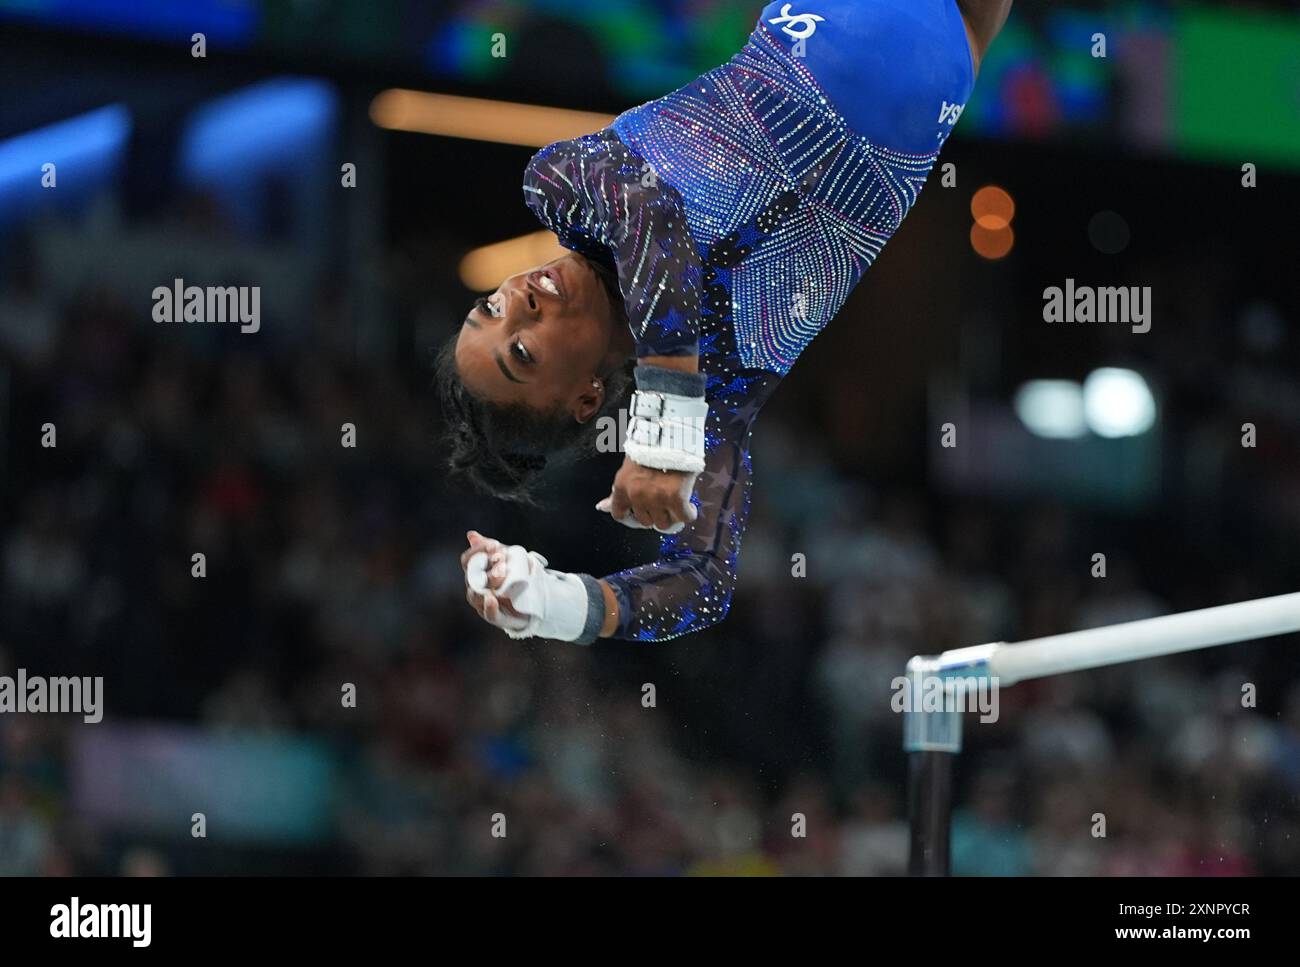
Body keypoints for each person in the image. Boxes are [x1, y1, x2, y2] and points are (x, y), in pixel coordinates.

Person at [440, 0, 1014, 643]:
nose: (518, 298)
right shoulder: (723, 377)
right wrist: (551, 603)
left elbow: (653, 217)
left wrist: (666, 427)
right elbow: (704, 580)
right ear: (585, 399)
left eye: (489, 308)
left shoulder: (563, 186)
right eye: (522, 351)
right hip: (956, 52)